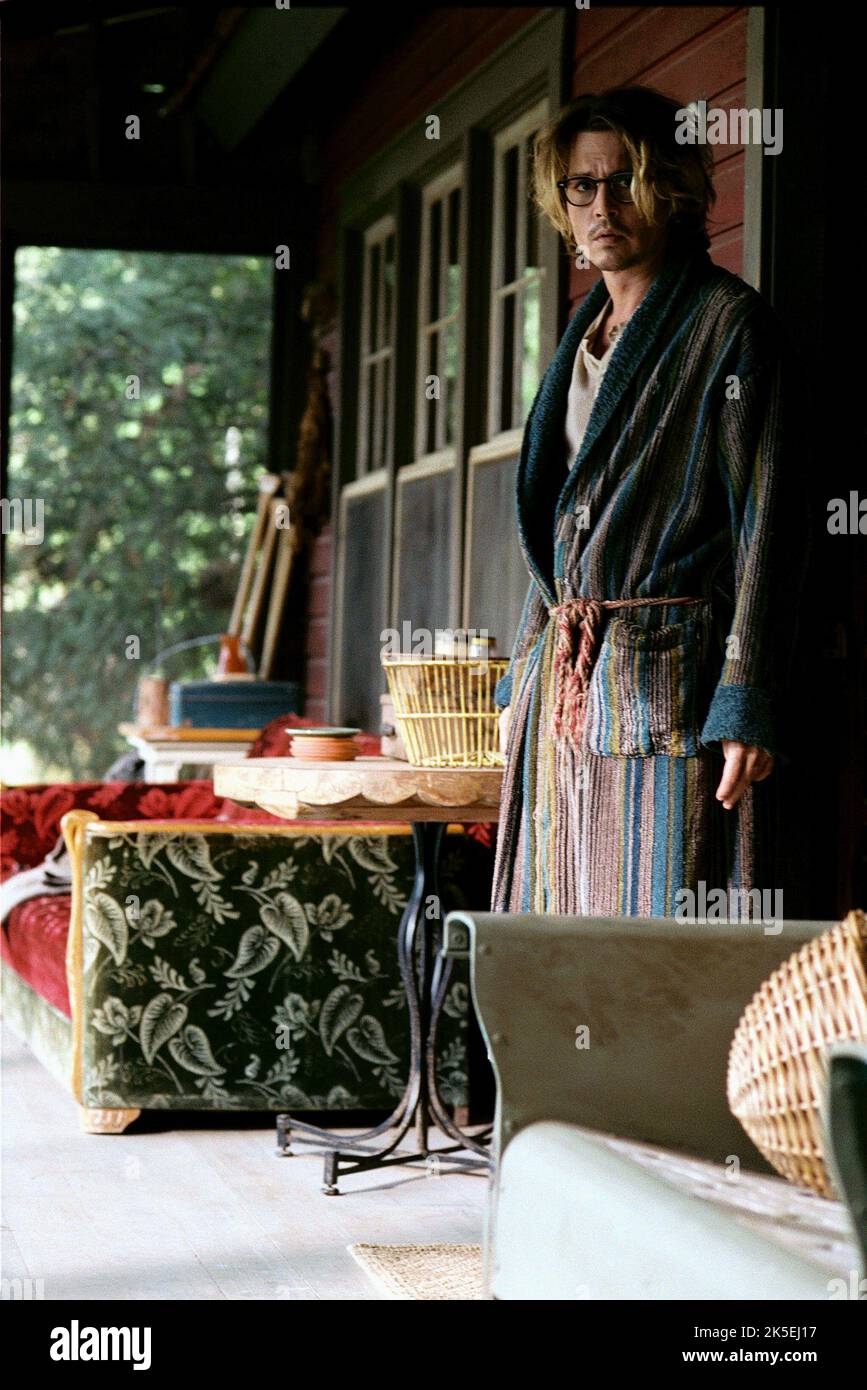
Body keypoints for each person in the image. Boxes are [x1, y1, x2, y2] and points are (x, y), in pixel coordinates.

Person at [492, 86, 802, 918]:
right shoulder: (581, 334)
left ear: (670, 187)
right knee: (550, 924)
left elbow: (765, 523)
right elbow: (559, 523)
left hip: (665, 682)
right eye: (580, 186)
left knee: (652, 929)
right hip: (563, 687)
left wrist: (743, 697)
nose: (602, 205)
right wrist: (519, 680)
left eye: (624, 180)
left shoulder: (726, 326)